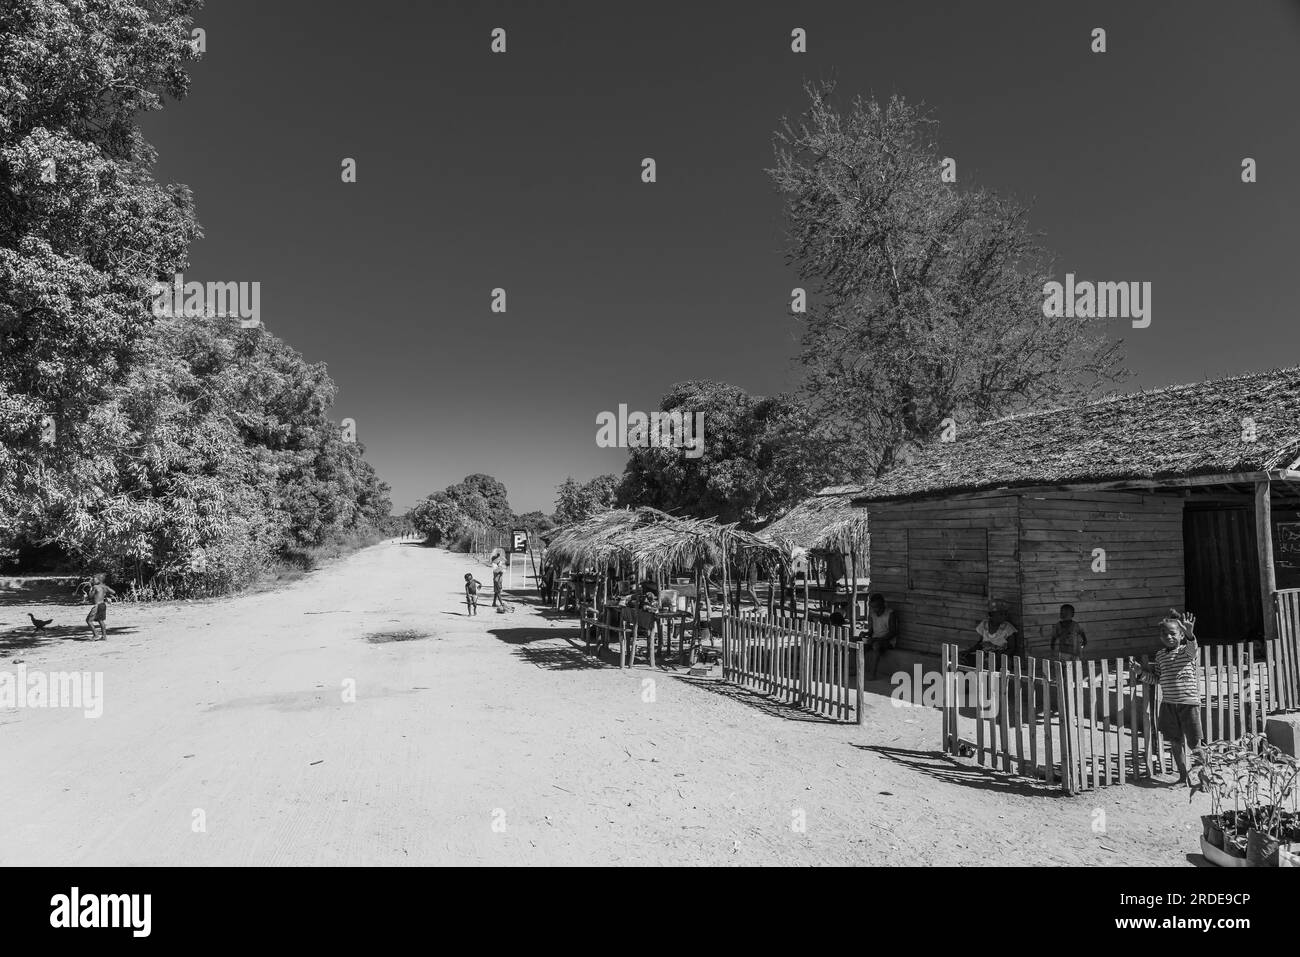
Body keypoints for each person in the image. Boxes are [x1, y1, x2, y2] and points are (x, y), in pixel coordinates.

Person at [1130, 609, 1201, 785]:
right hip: (1168, 704)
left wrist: (1190, 634)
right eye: (1164, 633)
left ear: (1181, 635)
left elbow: (1193, 648)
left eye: (1173, 633)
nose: (1168, 636)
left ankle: (1203, 779)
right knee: (1175, 743)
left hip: (1188, 704)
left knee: (1195, 745)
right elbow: (1158, 679)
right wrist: (1141, 673)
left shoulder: (1186, 652)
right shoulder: (1160, 655)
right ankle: (1183, 777)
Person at [963, 599, 1017, 666]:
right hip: (985, 654)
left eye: (1005, 613)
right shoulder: (984, 624)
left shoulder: (1008, 628)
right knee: (966, 659)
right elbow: (980, 643)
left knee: (990, 664)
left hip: (1000, 656)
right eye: (1001, 614)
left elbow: (1011, 648)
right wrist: (969, 651)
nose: (1004, 616)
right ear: (992, 614)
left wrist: (999, 656)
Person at [863, 593, 899, 680]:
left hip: (888, 641)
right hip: (876, 639)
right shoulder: (873, 614)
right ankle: (856, 669)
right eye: (873, 607)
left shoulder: (890, 614)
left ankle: (873, 674)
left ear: (883, 604)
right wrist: (866, 634)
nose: (875, 610)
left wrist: (879, 639)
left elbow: (893, 632)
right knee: (860, 645)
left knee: (876, 645)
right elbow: (872, 630)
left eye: (877, 607)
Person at [85, 572, 116, 641]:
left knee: (88, 621)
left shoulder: (95, 587)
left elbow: (90, 596)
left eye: (94, 579)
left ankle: (96, 635)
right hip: (103, 605)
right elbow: (113, 592)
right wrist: (106, 596)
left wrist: (90, 588)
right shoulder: (104, 586)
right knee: (100, 620)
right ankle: (104, 636)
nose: (92, 580)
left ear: (99, 579)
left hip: (97, 606)